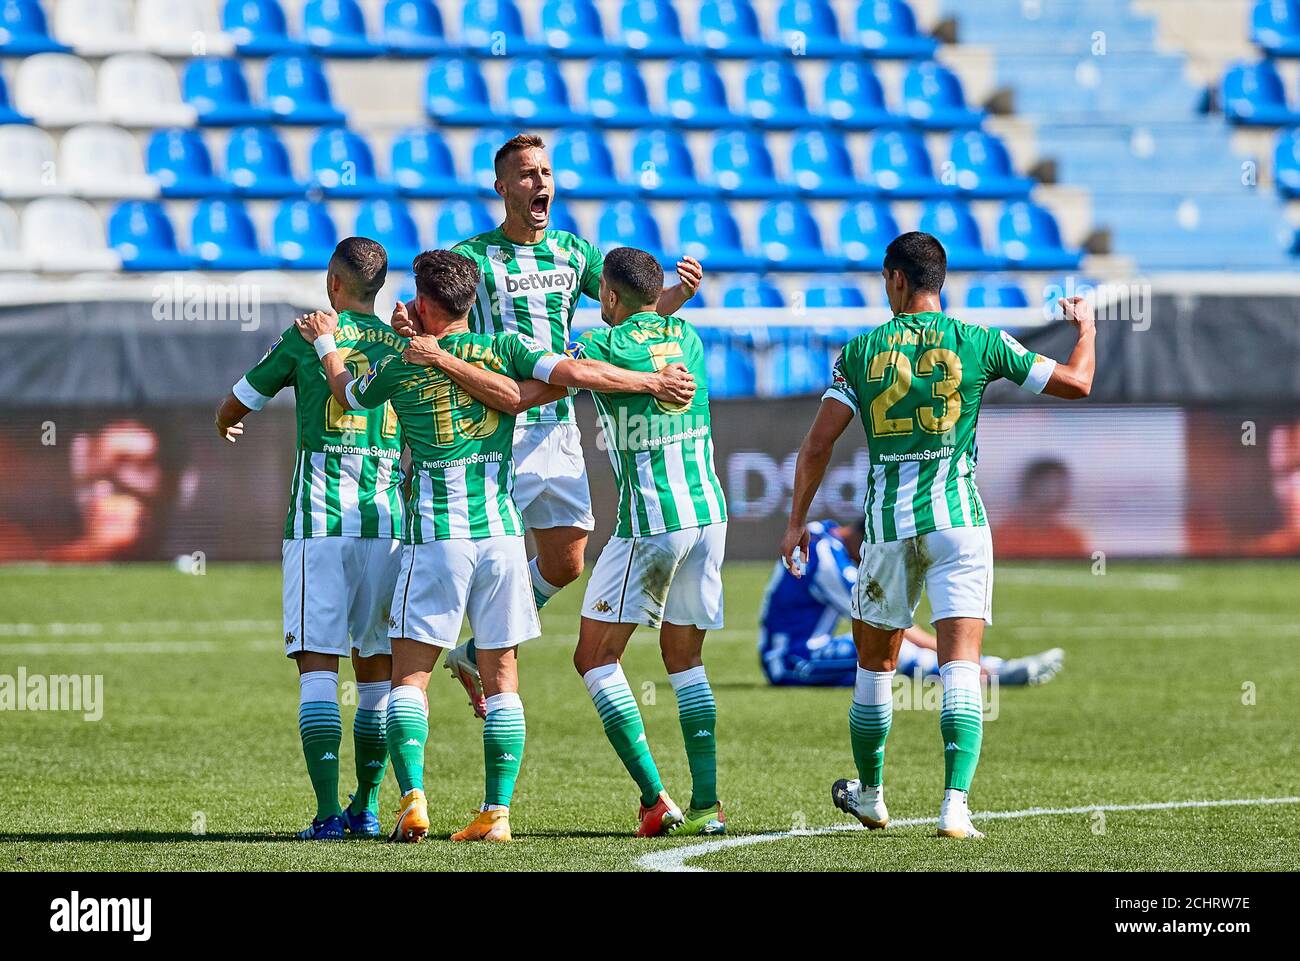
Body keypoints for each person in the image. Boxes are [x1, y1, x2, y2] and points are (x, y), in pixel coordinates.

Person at [297, 249, 696, 843]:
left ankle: (413, 800)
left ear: (426, 304)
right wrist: (654, 381)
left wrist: (329, 343)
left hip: (434, 538)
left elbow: (347, 395)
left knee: (409, 678)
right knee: (503, 676)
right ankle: (496, 812)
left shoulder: (405, 363)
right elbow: (570, 376)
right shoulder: (504, 349)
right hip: (503, 539)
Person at [778, 231, 1096, 839]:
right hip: (959, 523)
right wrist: (1087, 328)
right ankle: (955, 805)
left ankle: (872, 795)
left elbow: (817, 445)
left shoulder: (860, 352)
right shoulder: (979, 342)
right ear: (938, 281)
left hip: (887, 529)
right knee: (960, 663)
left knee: (874, 667)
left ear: (896, 279)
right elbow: (1078, 383)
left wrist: (797, 523)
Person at [393, 133, 704, 708]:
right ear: (503, 187)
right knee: (483, 556)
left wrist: (677, 295)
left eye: (546, 173)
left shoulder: (573, 251)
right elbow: (428, 319)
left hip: (557, 421)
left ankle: (469, 655)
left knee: (567, 560)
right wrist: (407, 326)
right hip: (493, 426)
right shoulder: (471, 256)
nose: (541, 183)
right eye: (528, 174)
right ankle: (461, 663)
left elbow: (627, 315)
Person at [213, 237, 404, 840]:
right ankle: (367, 808)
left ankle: (327, 816)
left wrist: (227, 424)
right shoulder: (402, 343)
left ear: (333, 282)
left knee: (318, 665)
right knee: (376, 666)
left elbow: (238, 400)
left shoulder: (306, 336)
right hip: (388, 524)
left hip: (319, 526)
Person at [760, 518, 1064, 687]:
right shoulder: (827, 560)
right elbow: (881, 620)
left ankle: (984, 669)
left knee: (881, 650)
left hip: (802, 648)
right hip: (792, 660)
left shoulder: (821, 533)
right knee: (893, 646)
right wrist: (947, 648)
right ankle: (983, 674)